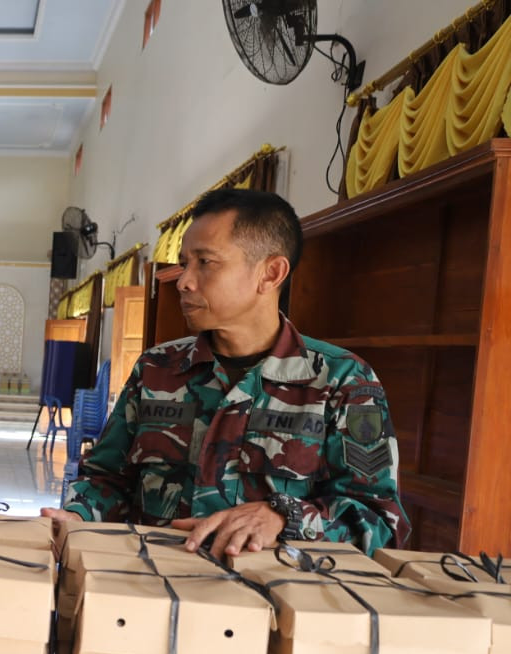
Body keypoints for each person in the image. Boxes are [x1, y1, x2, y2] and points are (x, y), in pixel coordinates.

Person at [45, 188, 409, 558]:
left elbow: (381, 521)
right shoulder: (157, 369)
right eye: (185, 263)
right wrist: (77, 514)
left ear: (270, 273)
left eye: (205, 262)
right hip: (153, 581)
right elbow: (106, 479)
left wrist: (285, 517)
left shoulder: (344, 381)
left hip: (271, 590)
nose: (184, 281)